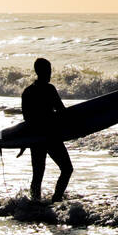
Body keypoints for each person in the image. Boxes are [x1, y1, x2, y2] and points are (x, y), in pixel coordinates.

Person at [22, 57, 72, 202]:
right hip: (50, 136)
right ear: (41, 72)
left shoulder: (27, 92)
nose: (50, 74)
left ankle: (34, 204)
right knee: (67, 169)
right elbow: (62, 111)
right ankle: (56, 199)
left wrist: (26, 140)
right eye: (48, 70)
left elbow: (27, 120)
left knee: (37, 175)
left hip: (36, 138)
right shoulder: (49, 89)